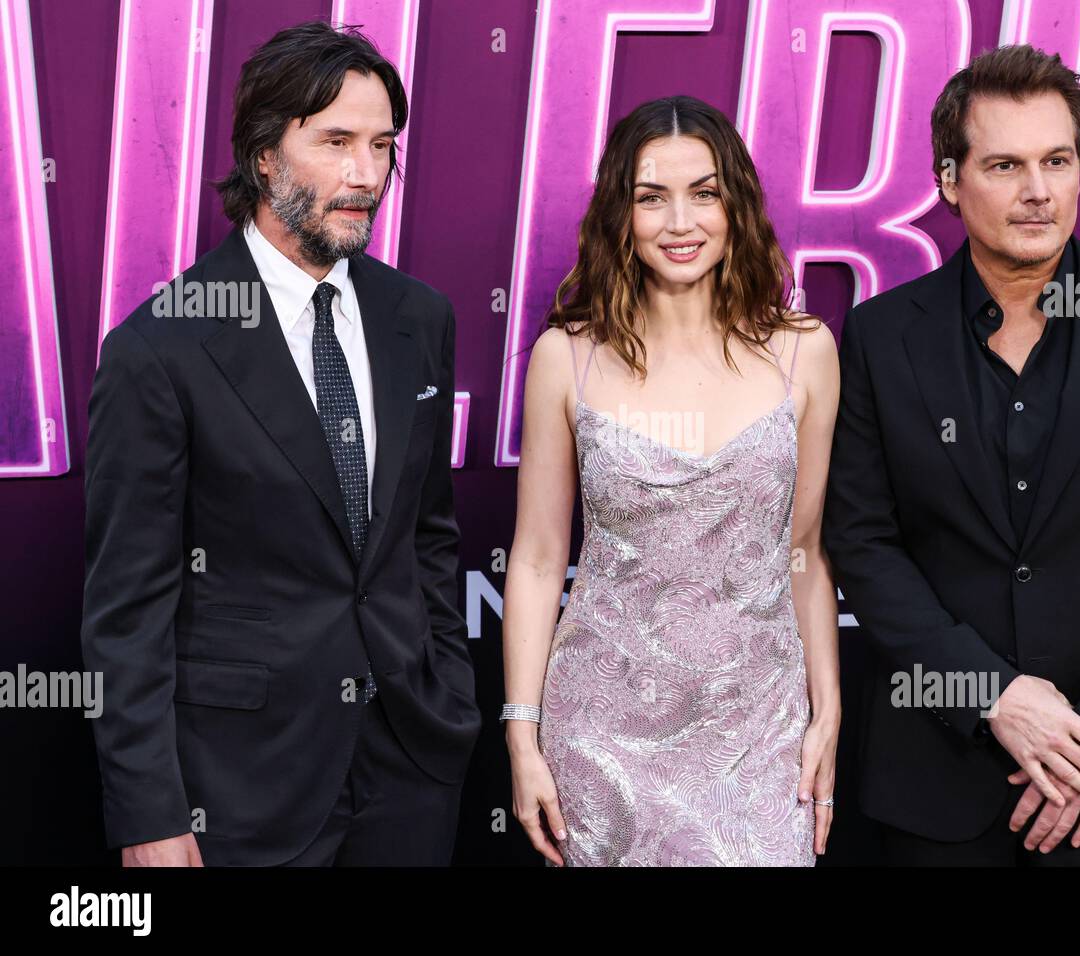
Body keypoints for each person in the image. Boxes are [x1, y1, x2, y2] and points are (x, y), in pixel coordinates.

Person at [823, 44, 1080, 866]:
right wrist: (994, 699)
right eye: (1006, 164)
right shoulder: (880, 336)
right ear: (949, 180)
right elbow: (864, 543)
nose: (1039, 191)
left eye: (1058, 160)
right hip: (943, 790)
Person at [81, 21, 479, 866]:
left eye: (381, 145)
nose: (366, 174)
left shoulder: (420, 318)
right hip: (239, 787)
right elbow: (128, 611)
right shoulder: (160, 349)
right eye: (335, 141)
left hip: (410, 765)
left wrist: (447, 691)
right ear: (264, 154)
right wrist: (150, 812)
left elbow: (426, 535)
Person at [501, 96, 841, 866]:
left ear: (736, 205)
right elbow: (536, 558)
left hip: (756, 735)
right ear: (620, 213)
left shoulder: (805, 353)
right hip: (604, 736)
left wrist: (828, 714)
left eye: (705, 193)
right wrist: (523, 736)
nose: (680, 222)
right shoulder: (567, 356)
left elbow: (807, 553)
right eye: (651, 197)